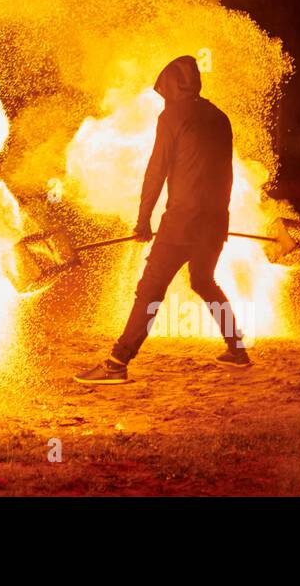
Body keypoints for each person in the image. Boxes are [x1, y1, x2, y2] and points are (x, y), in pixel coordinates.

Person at [76, 55, 249, 385]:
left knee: (150, 289)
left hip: (182, 222)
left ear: (171, 85)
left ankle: (116, 363)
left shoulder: (172, 116)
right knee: (203, 281)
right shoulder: (219, 117)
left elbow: (157, 171)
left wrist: (143, 221)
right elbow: (219, 172)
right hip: (214, 222)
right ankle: (237, 349)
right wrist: (215, 219)